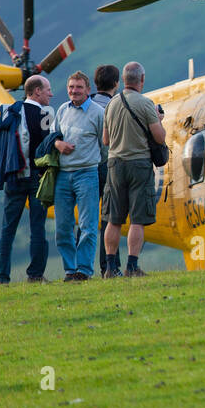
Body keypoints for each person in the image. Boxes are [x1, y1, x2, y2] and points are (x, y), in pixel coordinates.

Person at [101, 61, 167, 277]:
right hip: (139, 164)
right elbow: (159, 137)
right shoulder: (146, 103)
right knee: (137, 218)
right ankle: (131, 266)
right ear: (142, 79)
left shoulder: (111, 104)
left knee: (113, 219)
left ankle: (110, 267)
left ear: (123, 80)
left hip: (115, 165)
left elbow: (106, 140)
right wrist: (158, 120)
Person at [0, 74, 53, 283]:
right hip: (36, 177)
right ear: (37, 91)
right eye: (47, 90)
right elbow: (49, 148)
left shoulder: (10, 112)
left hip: (13, 177)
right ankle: (35, 275)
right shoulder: (45, 115)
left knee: (7, 229)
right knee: (37, 228)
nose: (50, 94)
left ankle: (1, 277)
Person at [53, 70, 106, 280]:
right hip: (63, 176)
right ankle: (70, 269)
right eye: (71, 87)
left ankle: (83, 270)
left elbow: (105, 146)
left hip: (87, 173)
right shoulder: (62, 110)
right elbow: (53, 137)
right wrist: (58, 144)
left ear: (88, 90)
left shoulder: (98, 112)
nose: (74, 91)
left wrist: (92, 162)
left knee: (88, 225)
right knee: (63, 227)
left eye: (79, 87)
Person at [91, 63, 120, 275]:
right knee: (110, 218)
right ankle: (109, 266)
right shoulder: (116, 107)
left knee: (86, 219)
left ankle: (77, 268)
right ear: (116, 84)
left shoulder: (85, 105)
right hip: (108, 166)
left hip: (87, 167)